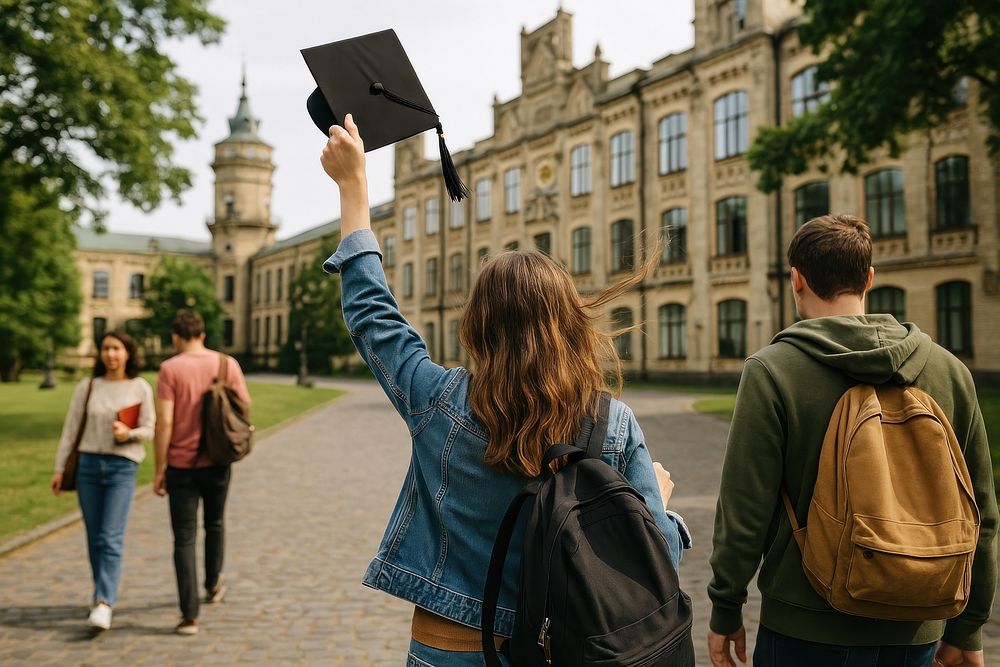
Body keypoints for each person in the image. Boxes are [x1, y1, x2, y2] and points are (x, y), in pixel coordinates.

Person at [319, 115, 692, 666]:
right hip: (558, 650)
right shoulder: (614, 423)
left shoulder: (438, 400)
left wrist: (353, 189)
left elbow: (373, 315)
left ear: (478, 325)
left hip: (448, 648)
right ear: (567, 322)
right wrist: (658, 506)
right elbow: (656, 556)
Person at [707, 214, 997, 667]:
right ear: (869, 278)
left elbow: (745, 510)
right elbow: (981, 510)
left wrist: (726, 608)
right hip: (917, 623)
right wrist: (969, 626)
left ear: (795, 280)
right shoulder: (948, 371)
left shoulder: (773, 371)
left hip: (806, 625)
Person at [153, 309, 250, 636]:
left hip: (181, 465)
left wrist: (159, 467)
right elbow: (244, 406)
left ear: (176, 337)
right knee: (215, 524)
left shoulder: (169, 368)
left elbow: (164, 422)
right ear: (203, 334)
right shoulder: (227, 364)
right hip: (217, 460)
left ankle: (189, 615)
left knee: (184, 537)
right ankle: (212, 584)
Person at [51, 330, 155, 631]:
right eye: (106, 348)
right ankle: (100, 593)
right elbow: (70, 430)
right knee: (95, 537)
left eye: (116, 348)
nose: (110, 354)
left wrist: (129, 434)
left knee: (110, 536)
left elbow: (150, 427)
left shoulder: (139, 387)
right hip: (88, 465)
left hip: (123, 466)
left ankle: (103, 601)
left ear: (128, 353)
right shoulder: (88, 387)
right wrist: (60, 468)